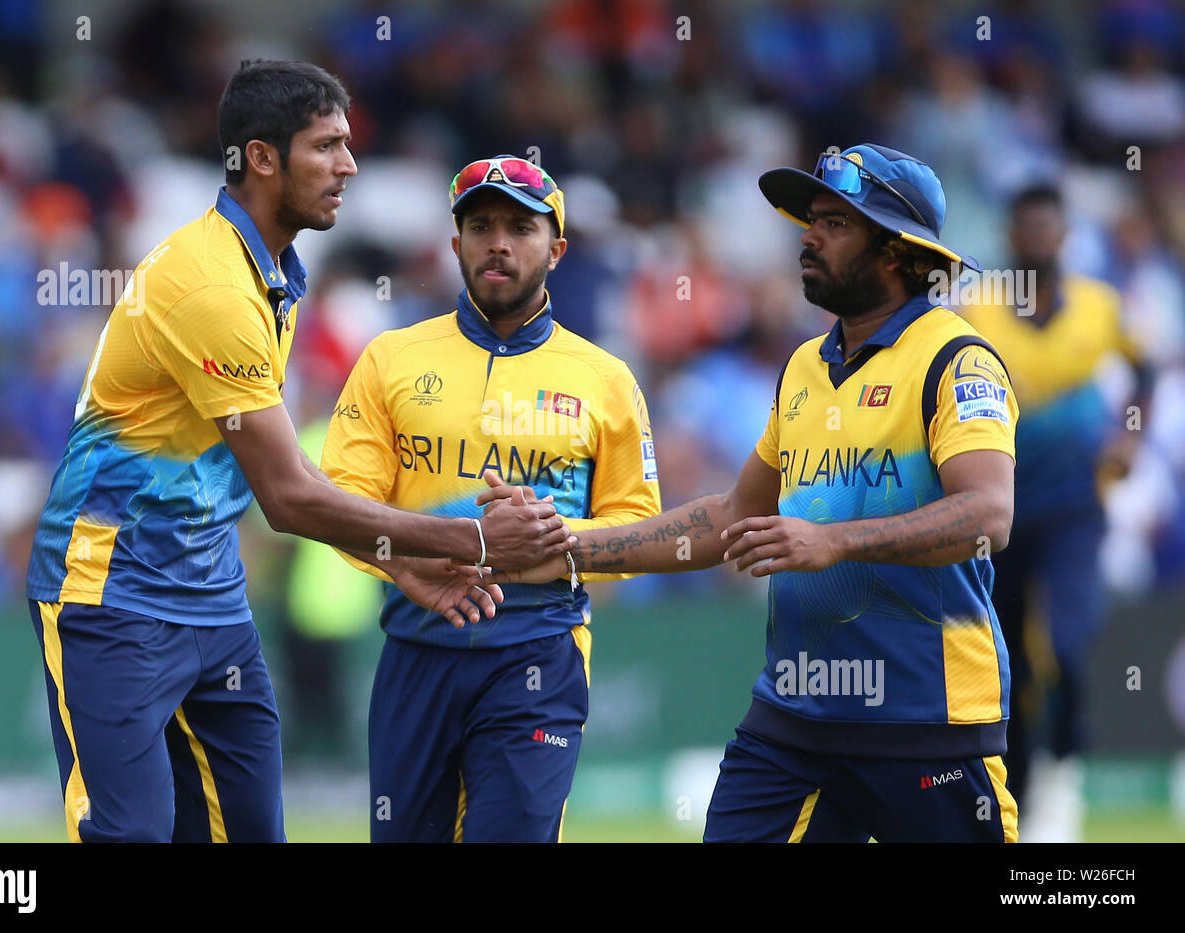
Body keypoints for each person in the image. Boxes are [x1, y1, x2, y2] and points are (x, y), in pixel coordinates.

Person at [24, 63, 570, 843]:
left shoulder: (269, 273)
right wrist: (474, 539)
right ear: (261, 158)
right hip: (108, 592)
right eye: (328, 146)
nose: (349, 166)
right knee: (131, 835)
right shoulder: (210, 286)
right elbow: (286, 497)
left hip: (210, 594)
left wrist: (393, 559)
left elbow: (284, 473)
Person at [482, 145, 1022, 843]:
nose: (808, 235)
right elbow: (736, 515)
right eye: (810, 219)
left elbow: (989, 515)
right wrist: (566, 548)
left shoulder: (957, 358)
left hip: (927, 717)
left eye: (834, 222)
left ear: (895, 251)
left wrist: (833, 540)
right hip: (795, 718)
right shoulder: (804, 365)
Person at [322, 155, 662, 842]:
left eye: (520, 227)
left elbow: (640, 527)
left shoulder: (606, 378)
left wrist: (548, 536)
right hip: (416, 648)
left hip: (538, 649)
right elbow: (338, 500)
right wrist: (408, 562)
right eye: (479, 226)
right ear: (456, 245)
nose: (498, 242)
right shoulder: (390, 358)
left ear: (557, 249)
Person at [959, 183, 1149, 841]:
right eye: (1026, 227)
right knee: (1004, 659)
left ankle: (1063, 779)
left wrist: (1127, 436)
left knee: (1066, 643)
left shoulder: (1101, 306)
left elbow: (1145, 371)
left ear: (1064, 234)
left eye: (1049, 226)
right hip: (998, 509)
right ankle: (1017, 796)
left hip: (1074, 506)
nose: (1038, 238)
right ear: (1010, 237)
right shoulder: (980, 308)